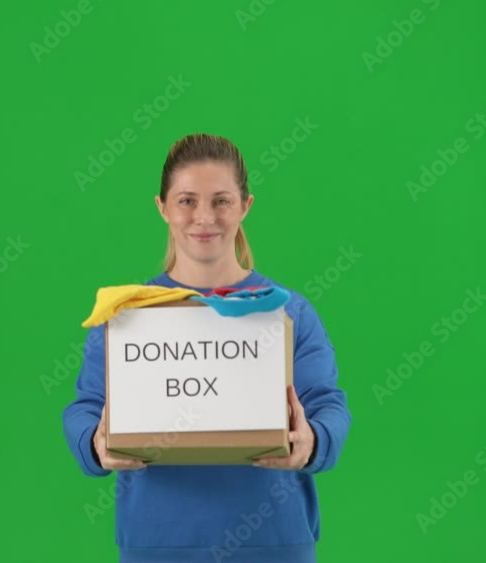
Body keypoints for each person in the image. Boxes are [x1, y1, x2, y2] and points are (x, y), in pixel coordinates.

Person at [63, 133, 351, 563]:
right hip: (157, 544)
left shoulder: (288, 312)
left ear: (245, 206)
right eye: (186, 201)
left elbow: (328, 405)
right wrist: (93, 442)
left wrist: (314, 440)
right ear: (162, 207)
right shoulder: (125, 314)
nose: (204, 217)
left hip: (274, 543)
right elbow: (86, 406)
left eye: (221, 201)